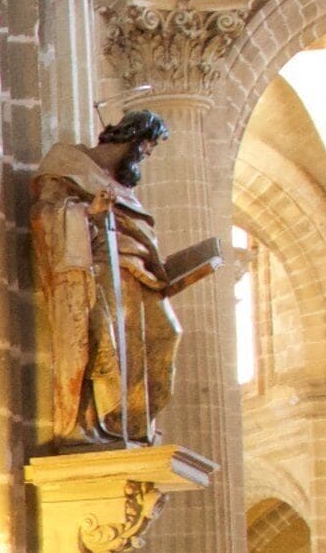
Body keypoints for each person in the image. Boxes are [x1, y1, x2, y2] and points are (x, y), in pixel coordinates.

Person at [30, 109, 214, 448]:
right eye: (147, 148)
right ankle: (97, 423)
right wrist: (87, 212)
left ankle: (132, 423)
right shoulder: (68, 164)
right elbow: (44, 215)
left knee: (166, 333)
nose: (146, 156)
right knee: (106, 347)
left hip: (140, 275)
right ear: (132, 138)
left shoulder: (120, 185)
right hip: (99, 271)